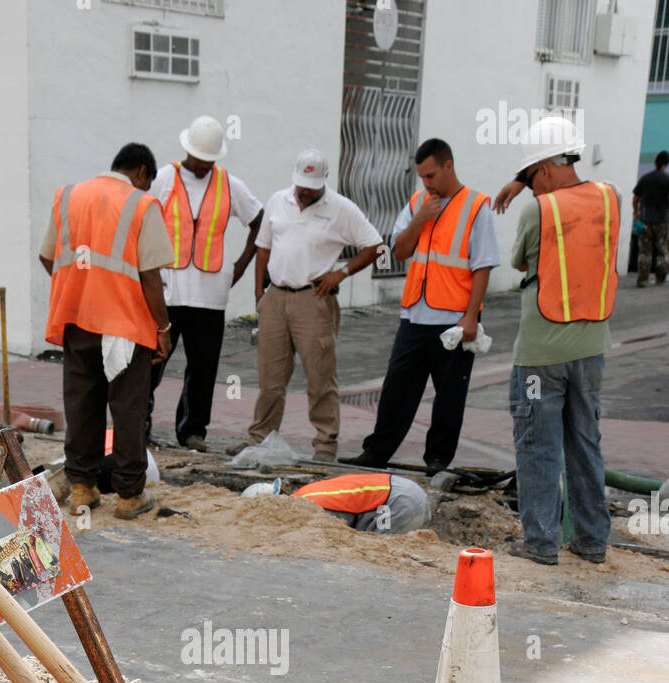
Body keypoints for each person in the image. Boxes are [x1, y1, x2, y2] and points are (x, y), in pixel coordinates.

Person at [497, 116, 620, 565]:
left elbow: (517, 259)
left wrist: (525, 193)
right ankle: (591, 542)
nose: (530, 188)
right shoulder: (610, 198)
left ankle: (541, 542)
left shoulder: (538, 210)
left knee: (537, 446)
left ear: (545, 170)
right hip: (592, 350)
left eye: (531, 179)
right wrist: (520, 177)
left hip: (540, 356)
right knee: (585, 443)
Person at [346, 138, 499, 475]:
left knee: (449, 395)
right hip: (415, 313)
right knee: (397, 387)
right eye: (422, 177)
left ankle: (438, 460)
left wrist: (471, 316)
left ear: (448, 165)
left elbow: (483, 266)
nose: (426, 183)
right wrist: (420, 219)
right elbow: (398, 252)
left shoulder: (476, 206)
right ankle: (376, 452)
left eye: (431, 175)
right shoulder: (418, 202)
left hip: (455, 319)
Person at [40, 143, 174, 519]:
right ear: (143, 172)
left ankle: (82, 489)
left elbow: (48, 255)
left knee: (82, 404)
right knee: (127, 408)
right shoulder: (141, 204)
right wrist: (162, 327)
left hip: (77, 318)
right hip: (125, 327)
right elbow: (150, 274)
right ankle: (130, 496)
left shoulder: (67, 197)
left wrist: (78, 289)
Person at [234, 150, 383, 462]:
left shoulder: (341, 209)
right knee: (270, 379)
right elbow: (263, 249)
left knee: (320, 378)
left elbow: (377, 245)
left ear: (323, 181)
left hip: (314, 300)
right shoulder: (278, 200)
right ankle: (259, 439)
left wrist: (342, 272)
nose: (305, 192)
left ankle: (325, 445)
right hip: (276, 297)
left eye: (311, 187)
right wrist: (260, 297)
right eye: (302, 185)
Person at [149, 116, 263, 450]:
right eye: (198, 159)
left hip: (210, 296)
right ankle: (140, 426)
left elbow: (260, 221)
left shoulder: (230, 184)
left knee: (202, 369)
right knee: (153, 364)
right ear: (187, 151)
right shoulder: (164, 178)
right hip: (167, 292)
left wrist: (240, 266)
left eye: (209, 161)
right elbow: (138, 218)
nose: (202, 166)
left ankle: (192, 431)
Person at [293, 471, 431, 534]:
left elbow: (338, 532)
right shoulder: (306, 492)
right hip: (403, 489)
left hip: (396, 500)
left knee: (384, 548)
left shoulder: (310, 506)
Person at [632, 151, 669, 288]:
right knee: (662, 251)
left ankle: (642, 280)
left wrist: (636, 213)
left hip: (645, 220)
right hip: (661, 222)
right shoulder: (666, 180)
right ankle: (660, 278)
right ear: (665, 164)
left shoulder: (645, 178)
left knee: (644, 252)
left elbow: (635, 199)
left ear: (655, 163)